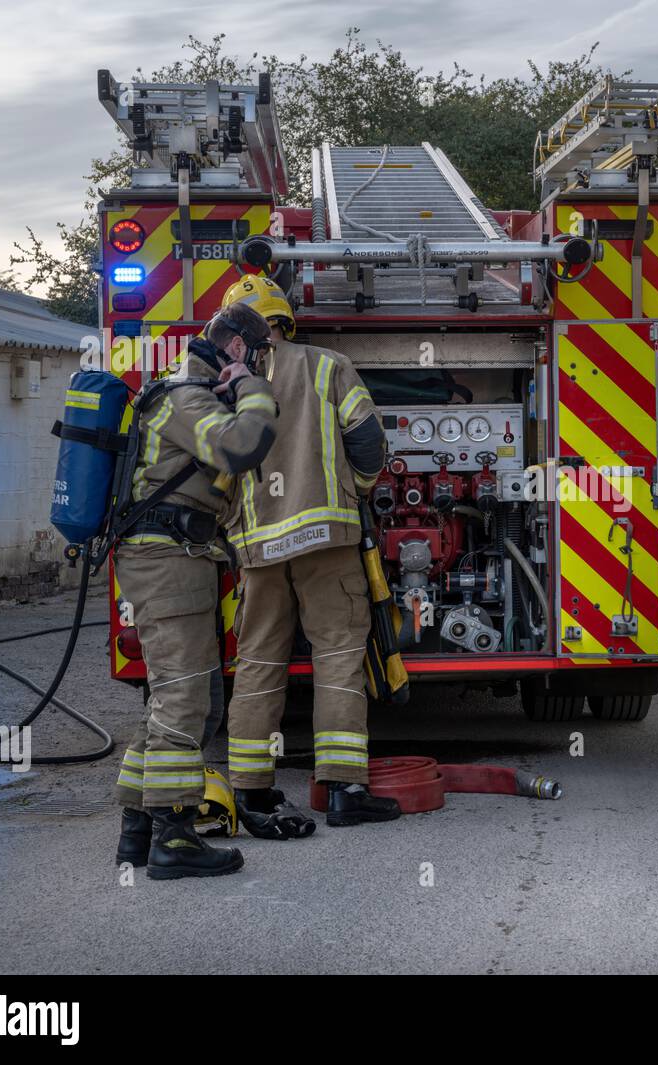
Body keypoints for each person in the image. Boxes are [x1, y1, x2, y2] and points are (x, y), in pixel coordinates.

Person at [219, 276, 400, 836]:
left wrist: (234, 523)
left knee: (257, 664)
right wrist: (357, 492)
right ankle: (344, 791)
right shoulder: (327, 365)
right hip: (328, 539)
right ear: (283, 320)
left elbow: (213, 464)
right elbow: (368, 440)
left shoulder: (225, 382)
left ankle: (251, 791)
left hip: (260, 547)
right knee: (339, 656)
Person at [112, 302, 278, 879]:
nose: (259, 367)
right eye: (257, 357)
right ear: (236, 350)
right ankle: (174, 838)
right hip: (168, 561)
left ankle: (138, 830)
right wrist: (254, 389)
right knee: (187, 699)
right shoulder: (187, 399)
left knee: (172, 695)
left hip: (177, 558)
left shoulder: (188, 398)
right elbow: (240, 447)